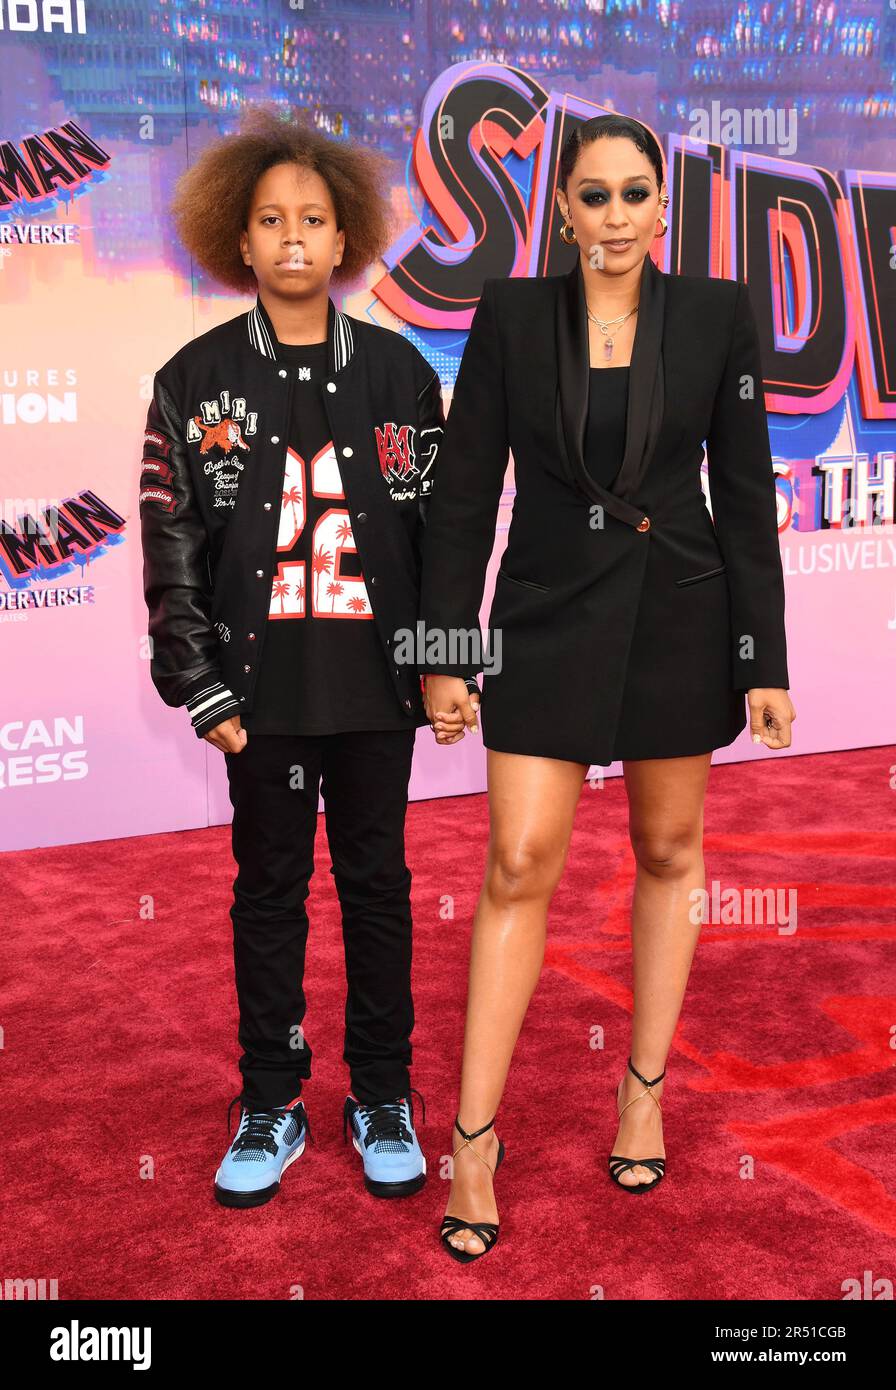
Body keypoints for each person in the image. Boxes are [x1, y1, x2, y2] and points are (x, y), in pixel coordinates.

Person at [419, 114, 796, 1261]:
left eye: (636, 195)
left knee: (669, 851)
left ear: (660, 209)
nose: (616, 215)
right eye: (594, 195)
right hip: (542, 611)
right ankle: (472, 1141)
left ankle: (641, 1090)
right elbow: (461, 489)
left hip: (681, 614)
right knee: (516, 860)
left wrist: (763, 659)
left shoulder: (714, 314)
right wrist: (442, 647)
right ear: (564, 209)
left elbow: (741, 493)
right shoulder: (511, 313)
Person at [139, 106, 465, 1208]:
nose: (291, 238)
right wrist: (198, 681)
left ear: (345, 241)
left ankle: (382, 1089)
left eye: (312, 220)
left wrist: (443, 663)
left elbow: (445, 537)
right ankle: (270, 1097)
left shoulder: (401, 374)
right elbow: (170, 541)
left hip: (376, 690)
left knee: (379, 886)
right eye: (270, 219)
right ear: (239, 237)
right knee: (269, 891)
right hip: (258, 698)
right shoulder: (189, 382)